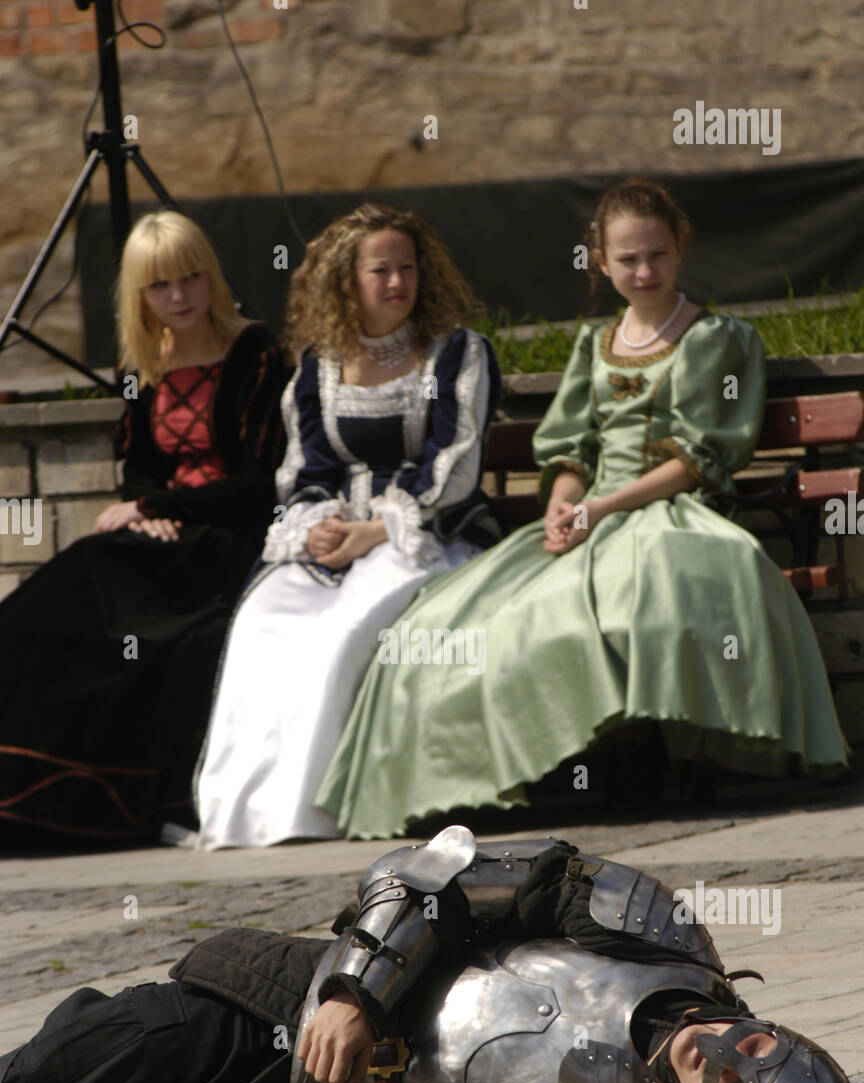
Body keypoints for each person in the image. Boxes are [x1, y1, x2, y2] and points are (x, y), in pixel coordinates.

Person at [0, 827, 860, 1083]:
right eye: (752, 1049)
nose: (720, 1062)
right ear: (766, 1025)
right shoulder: (659, 929)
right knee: (34, 1080)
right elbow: (446, 872)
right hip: (267, 1003)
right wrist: (353, 996)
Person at [315, 179, 850, 839]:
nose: (644, 271)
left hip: (671, 509)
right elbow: (568, 451)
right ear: (600, 261)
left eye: (656, 254)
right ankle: (486, 776)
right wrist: (565, 504)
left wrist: (603, 507)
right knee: (461, 620)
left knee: (637, 588)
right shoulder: (592, 345)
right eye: (627, 259)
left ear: (680, 249)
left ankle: (635, 752)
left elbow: (697, 460)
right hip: (590, 517)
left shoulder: (717, 340)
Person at [193, 203, 502, 849]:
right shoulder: (318, 366)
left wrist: (378, 529)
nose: (396, 283)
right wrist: (315, 526)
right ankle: (246, 813)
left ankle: (316, 810)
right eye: (380, 270)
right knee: (265, 620)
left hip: (424, 535)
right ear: (346, 280)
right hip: (336, 539)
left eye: (407, 269)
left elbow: (455, 462)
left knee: (344, 630)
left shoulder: (456, 355)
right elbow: (303, 469)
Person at [0, 211, 287, 843]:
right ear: (139, 294)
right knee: (48, 606)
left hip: (230, 540)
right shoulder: (142, 364)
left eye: (190, 278)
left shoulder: (256, 351)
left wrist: (162, 510)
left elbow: (257, 482)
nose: (179, 296)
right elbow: (141, 470)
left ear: (211, 276)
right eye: (161, 286)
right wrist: (148, 508)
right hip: (162, 538)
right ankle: (29, 798)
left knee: (165, 643)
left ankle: (121, 804)